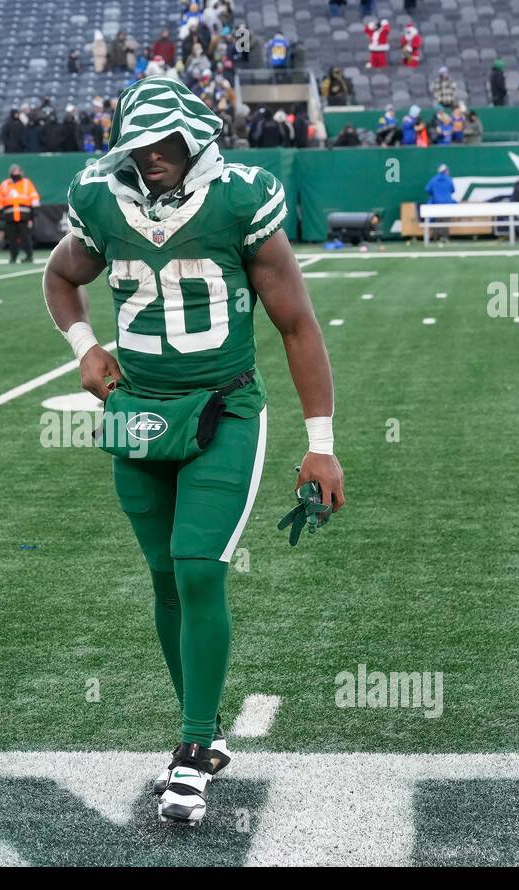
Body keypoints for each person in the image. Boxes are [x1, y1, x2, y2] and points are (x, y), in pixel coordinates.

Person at [44, 75, 343, 826]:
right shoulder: (102, 200)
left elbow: (298, 326)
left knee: (197, 569)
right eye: (139, 147)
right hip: (139, 413)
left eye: (164, 143)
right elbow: (60, 275)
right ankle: (203, 735)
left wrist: (322, 445)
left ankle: (187, 752)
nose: (152, 158)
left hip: (224, 408)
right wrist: (83, 345)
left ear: (194, 135)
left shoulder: (239, 199)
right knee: (163, 580)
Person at [0, 164, 40, 262]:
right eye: (14, 171)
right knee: (12, 239)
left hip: (24, 216)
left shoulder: (27, 183)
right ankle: (13, 257)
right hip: (10, 216)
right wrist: (0, 214)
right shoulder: (4, 185)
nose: (16, 173)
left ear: (21, 172)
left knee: (26, 238)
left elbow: (34, 198)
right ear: (10, 173)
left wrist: (33, 214)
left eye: (18, 171)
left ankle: (29, 256)